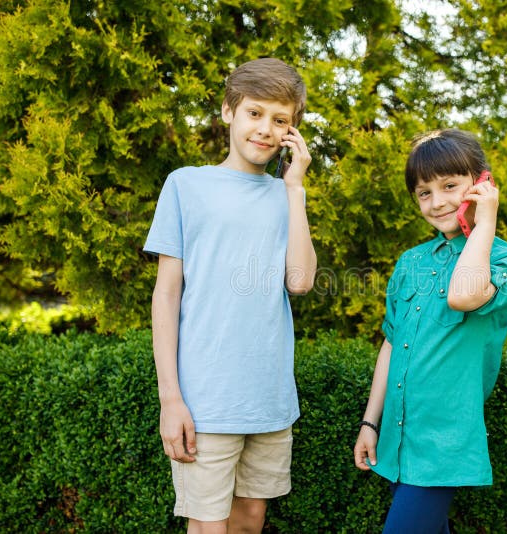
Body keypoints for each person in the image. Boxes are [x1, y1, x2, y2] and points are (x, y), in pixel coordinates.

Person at [144, 58, 317, 534]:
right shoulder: (185, 184)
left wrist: (295, 188)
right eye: (255, 113)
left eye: (280, 120)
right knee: (207, 526)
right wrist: (170, 399)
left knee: (250, 519)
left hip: (269, 398)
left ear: (291, 132)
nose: (265, 128)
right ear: (228, 112)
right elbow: (166, 296)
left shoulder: (286, 196)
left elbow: (300, 280)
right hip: (205, 399)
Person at [353, 129, 507, 532]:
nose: (437, 202)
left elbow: (463, 297)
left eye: (450, 186)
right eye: (424, 192)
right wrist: (370, 423)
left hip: (443, 445)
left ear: (481, 183)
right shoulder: (410, 261)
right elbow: (392, 343)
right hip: (399, 438)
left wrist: (485, 222)